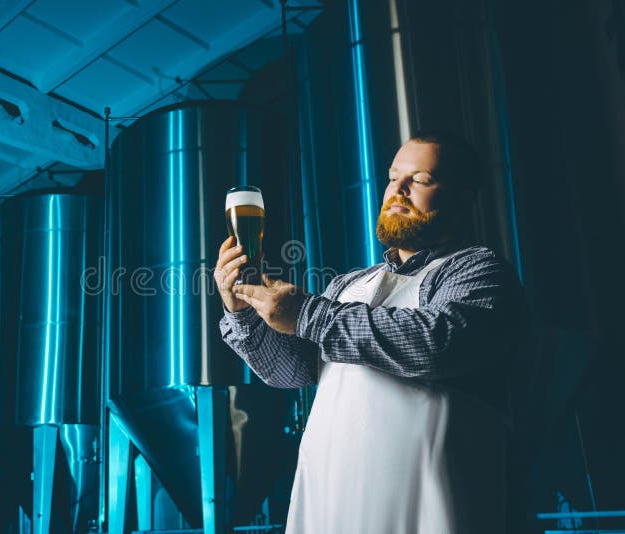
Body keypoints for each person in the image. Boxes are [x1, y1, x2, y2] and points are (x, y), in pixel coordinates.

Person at [214, 131, 527, 533]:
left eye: (420, 179)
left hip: (428, 506)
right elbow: (291, 372)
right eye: (393, 178)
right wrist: (241, 312)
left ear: (462, 197)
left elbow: (436, 345)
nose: (398, 190)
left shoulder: (478, 269)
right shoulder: (348, 284)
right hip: (331, 501)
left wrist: (307, 313)